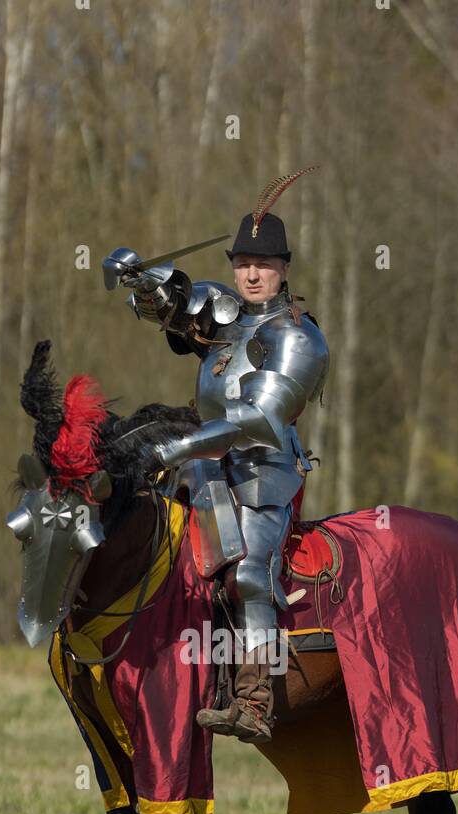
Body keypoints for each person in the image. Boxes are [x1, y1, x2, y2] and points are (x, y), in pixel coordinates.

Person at [102, 172, 329, 743]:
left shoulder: (301, 339)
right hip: (205, 470)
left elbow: (258, 419)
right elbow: (180, 310)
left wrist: (175, 445)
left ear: (284, 269)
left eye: (264, 264)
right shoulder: (228, 315)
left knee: (250, 574)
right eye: (243, 263)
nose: (251, 274)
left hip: (264, 473)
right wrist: (143, 281)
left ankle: (255, 701)